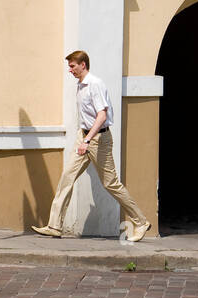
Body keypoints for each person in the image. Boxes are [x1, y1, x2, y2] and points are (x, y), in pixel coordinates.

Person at [33, 51, 151, 241]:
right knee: (67, 177)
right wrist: (83, 139)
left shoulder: (95, 84)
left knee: (110, 184)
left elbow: (102, 115)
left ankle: (140, 221)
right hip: (85, 137)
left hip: (98, 140)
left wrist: (88, 141)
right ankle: (55, 226)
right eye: (69, 66)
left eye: (72, 66)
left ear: (83, 65)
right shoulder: (80, 85)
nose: (70, 70)